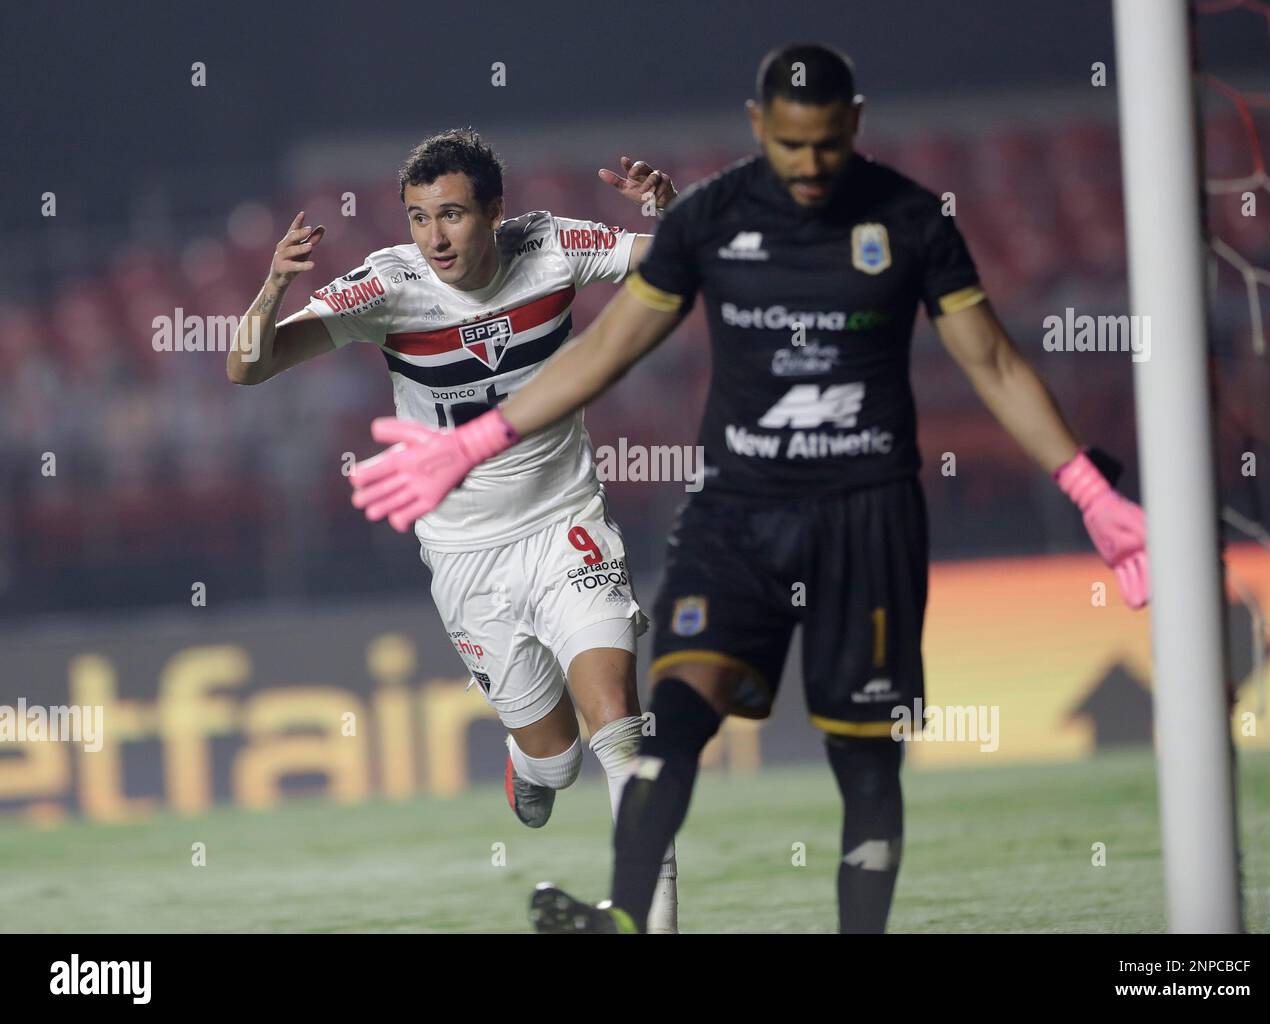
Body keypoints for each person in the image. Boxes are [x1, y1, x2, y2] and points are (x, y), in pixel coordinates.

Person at [349, 47, 1149, 934]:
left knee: (865, 765)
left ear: (855, 123)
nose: (808, 165)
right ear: (758, 127)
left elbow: (992, 358)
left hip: (867, 513)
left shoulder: (914, 222)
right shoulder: (717, 217)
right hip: (735, 512)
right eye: (791, 143)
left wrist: (1086, 485)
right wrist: (479, 443)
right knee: (665, 720)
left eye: (826, 143)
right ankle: (628, 917)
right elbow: (610, 346)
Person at [227, 128, 682, 932]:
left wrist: (669, 213)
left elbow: (681, 262)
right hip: (467, 555)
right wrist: (270, 288)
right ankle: (529, 764)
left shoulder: (553, 246)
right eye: (417, 218)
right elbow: (249, 367)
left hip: (564, 522)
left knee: (619, 727)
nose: (434, 237)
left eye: (452, 215)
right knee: (558, 760)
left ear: (496, 213)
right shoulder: (389, 288)